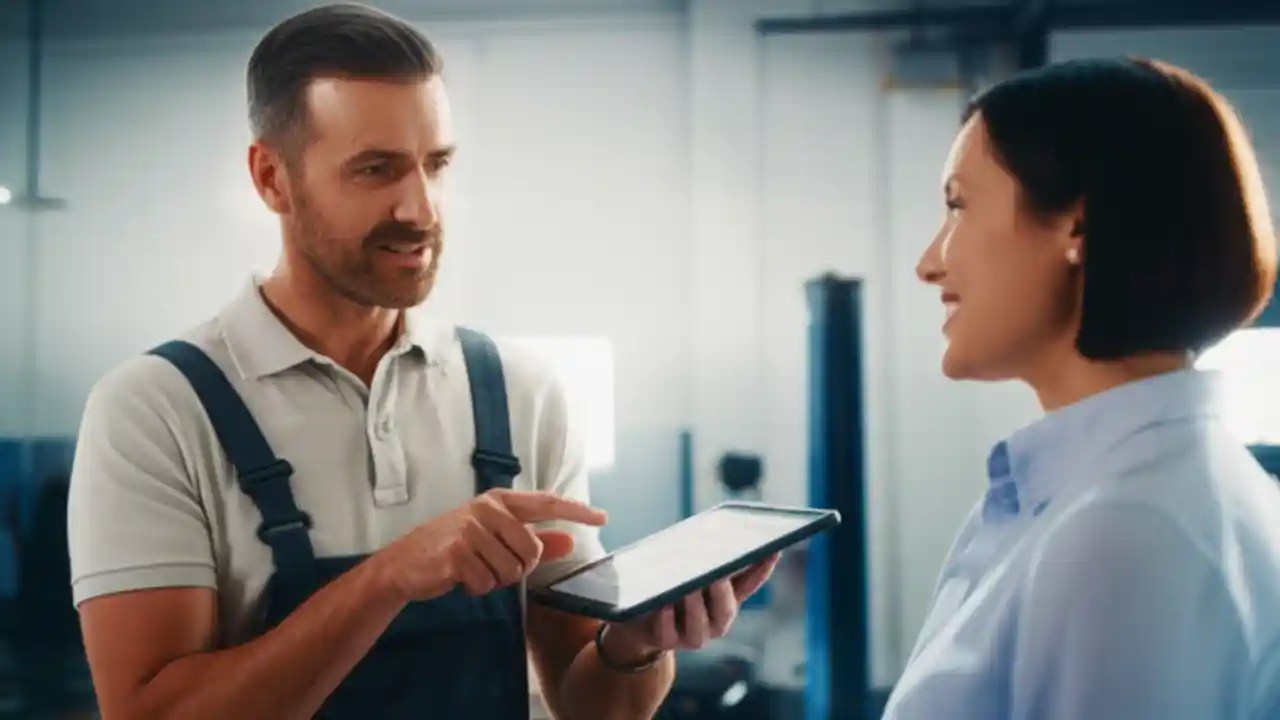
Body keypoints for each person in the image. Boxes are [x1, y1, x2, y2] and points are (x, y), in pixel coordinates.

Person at [67, 4, 778, 719]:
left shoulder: (522, 394)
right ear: (271, 178)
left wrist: (634, 647)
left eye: (436, 165)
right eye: (375, 170)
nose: (421, 209)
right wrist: (388, 580)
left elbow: (596, 708)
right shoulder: (154, 410)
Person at [885, 58, 1280, 719]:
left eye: (958, 205)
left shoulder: (1126, 530)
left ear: (1078, 226)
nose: (930, 261)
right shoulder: (1099, 495)